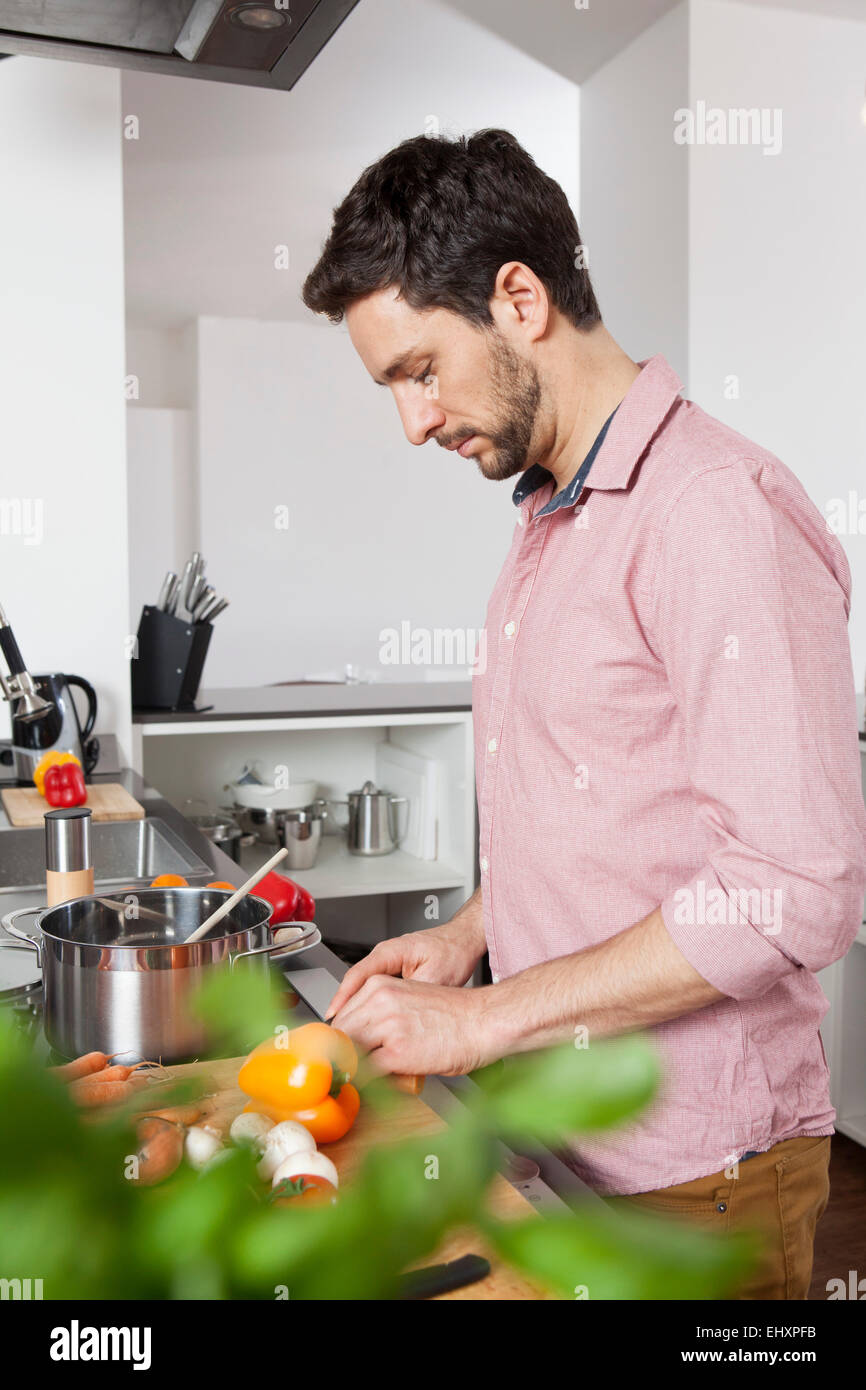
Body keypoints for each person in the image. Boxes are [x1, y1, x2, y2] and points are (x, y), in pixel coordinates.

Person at [302, 128, 866, 1299]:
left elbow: (794, 888)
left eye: (417, 370)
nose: (413, 424)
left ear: (518, 299)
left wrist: (485, 1021)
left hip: (697, 1175)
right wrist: (474, 931)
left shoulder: (714, 510)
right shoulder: (550, 517)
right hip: (562, 1134)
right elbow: (597, 814)